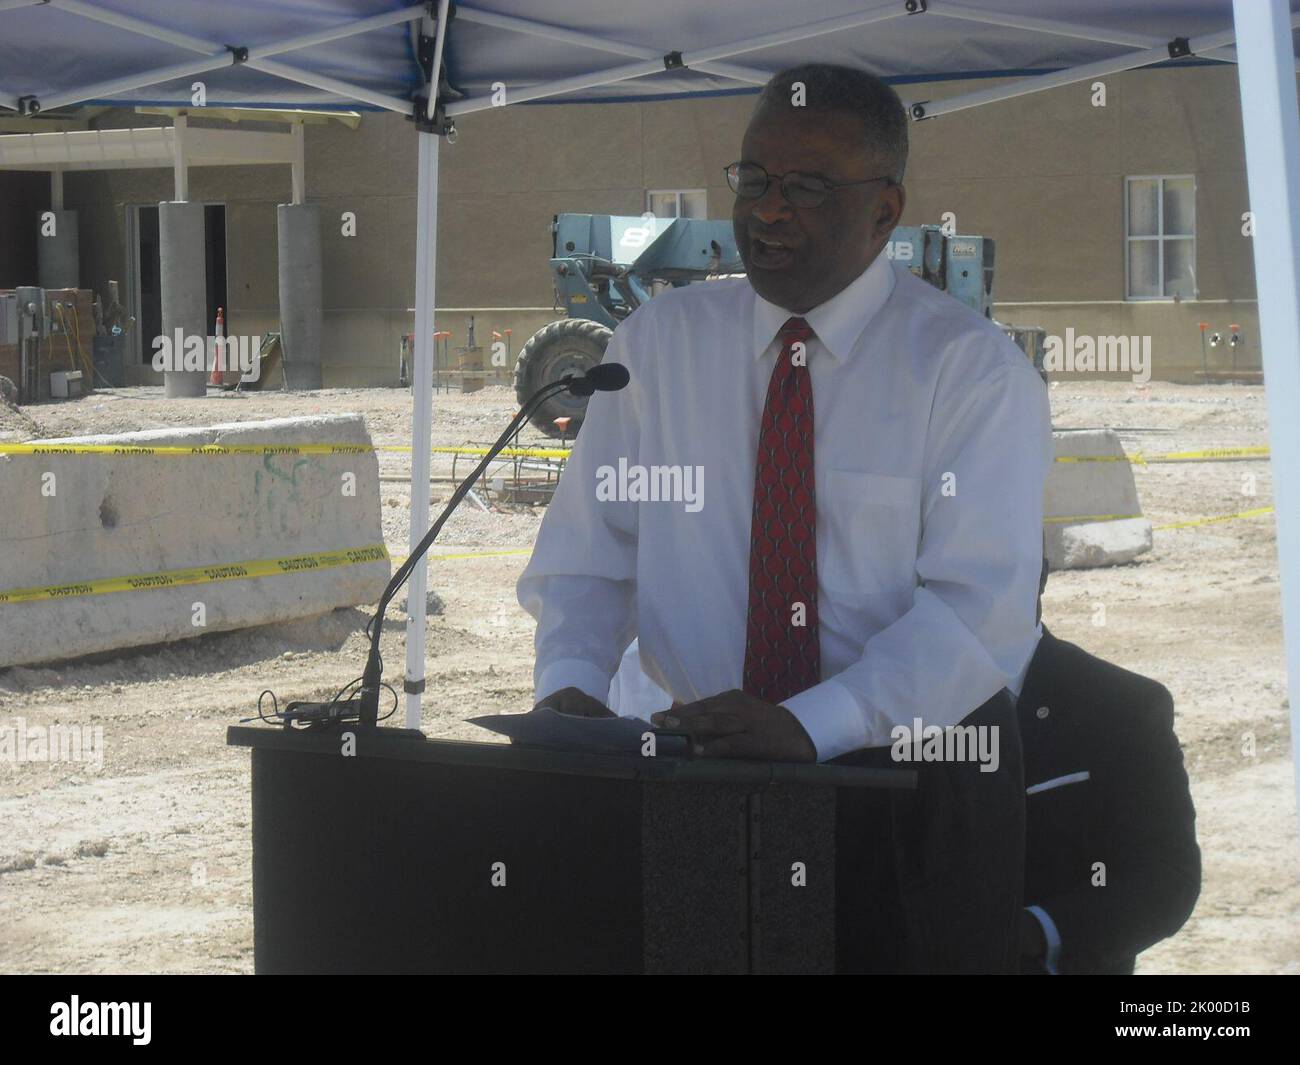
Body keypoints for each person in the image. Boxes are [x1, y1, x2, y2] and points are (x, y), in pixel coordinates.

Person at [518, 64, 1053, 971]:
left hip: (903, 792)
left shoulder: (970, 373)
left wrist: (813, 722)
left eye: (805, 187)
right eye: (755, 180)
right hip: (698, 781)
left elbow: (980, 614)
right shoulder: (656, 346)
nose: (769, 210)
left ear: (886, 211)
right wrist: (570, 685)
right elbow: (589, 559)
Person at [1016, 561, 1201, 974]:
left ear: (1040, 573)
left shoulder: (1121, 707)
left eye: (1001, 566)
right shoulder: (891, 703)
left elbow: (1166, 878)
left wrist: (1038, 931)